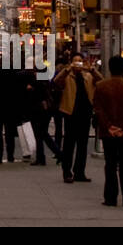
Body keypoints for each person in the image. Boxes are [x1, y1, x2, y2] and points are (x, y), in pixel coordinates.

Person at [92, 54, 123, 207]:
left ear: (110, 67)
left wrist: (109, 126)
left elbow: (98, 109)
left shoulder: (101, 86)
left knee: (110, 165)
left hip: (108, 133)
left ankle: (110, 198)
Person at [52, 53, 102, 183]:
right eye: (75, 61)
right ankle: (67, 171)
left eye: (80, 61)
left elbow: (101, 80)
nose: (78, 63)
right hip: (70, 113)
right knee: (69, 144)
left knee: (82, 145)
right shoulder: (67, 76)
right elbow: (56, 81)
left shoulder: (88, 76)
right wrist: (68, 69)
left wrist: (91, 69)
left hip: (85, 114)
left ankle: (80, 172)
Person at [24, 71, 62, 166]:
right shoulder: (46, 81)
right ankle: (41, 157)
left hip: (38, 112)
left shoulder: (36, 83)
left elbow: (35, 96)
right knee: (41, 135)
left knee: (41, 135)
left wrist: (30, 89)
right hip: (45, 112)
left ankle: (58, 154)